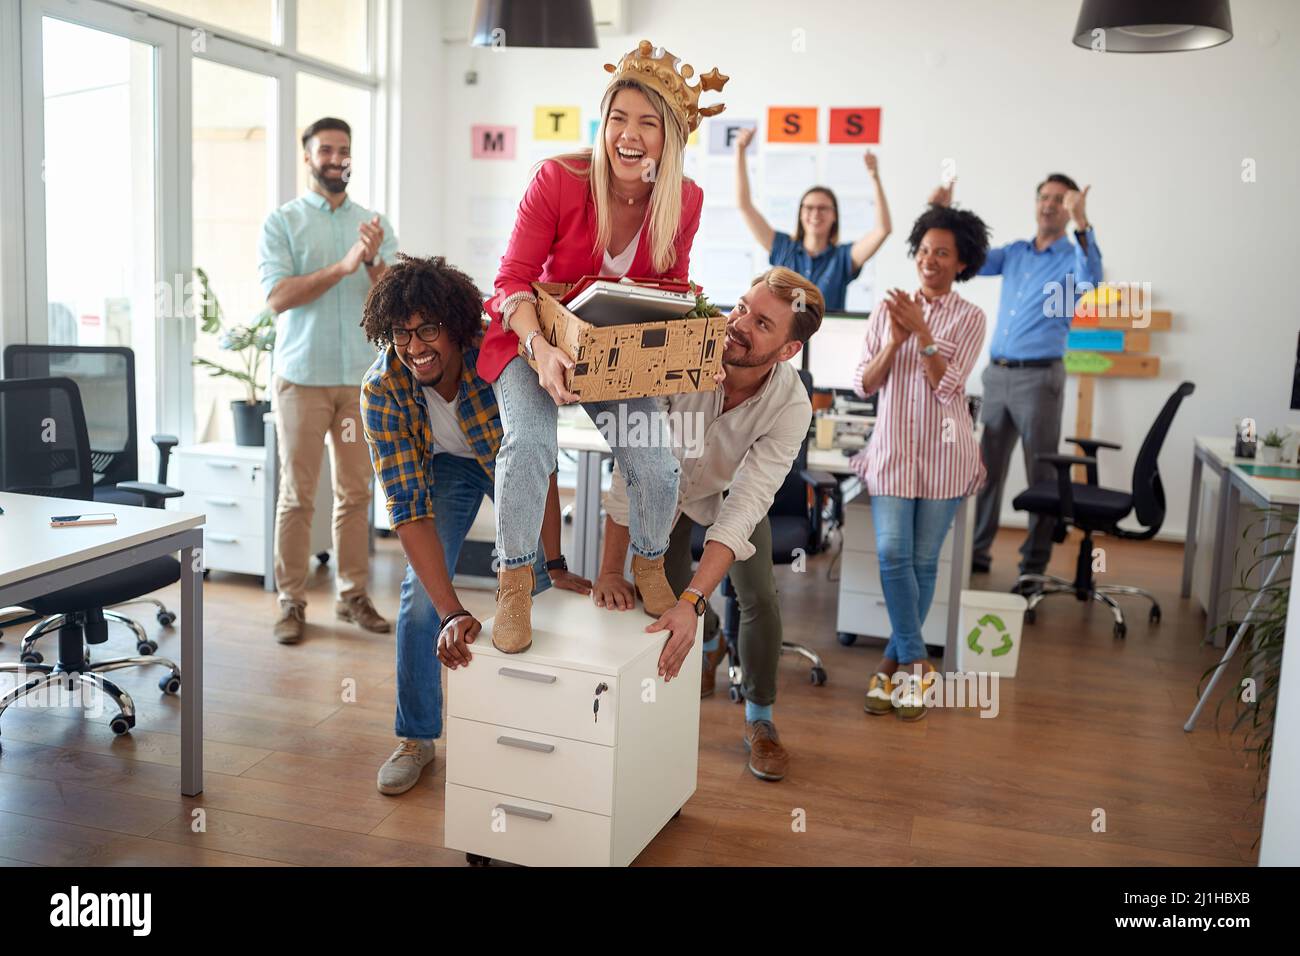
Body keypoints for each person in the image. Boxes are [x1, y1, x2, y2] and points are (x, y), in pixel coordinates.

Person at [477, 40, 728, 654]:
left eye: (647, 122)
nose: (629, 134)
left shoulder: (685, 200)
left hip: (610, 348)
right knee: (532, 443)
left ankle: (647, 564)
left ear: (670, 137)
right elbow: (511, 280)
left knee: (656, 463)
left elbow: (670, 286)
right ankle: (514, 581)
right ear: (603, 122)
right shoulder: (558, 180)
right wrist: (541, 348)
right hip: (530, 335)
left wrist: (688, 334)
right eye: (618, 118)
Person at [360, 254, 592, 795]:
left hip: (505, 459)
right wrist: (452, 610)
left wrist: (553, 563)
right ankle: (416, 738)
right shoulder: (383, 389)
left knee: (533, 586)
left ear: (458, 327)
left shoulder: (500, 358)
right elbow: (407, 508)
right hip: (441, 469)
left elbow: (538, 465)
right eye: (401, 334)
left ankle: (538, 725)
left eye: (429, 331)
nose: (415, 347)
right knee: (420, 603)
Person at [593, 267, 825, 782]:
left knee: (758, 595)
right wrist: (610, 571)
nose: (738, 324)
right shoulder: (681, 355)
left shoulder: (790, 406)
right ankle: (706, 645)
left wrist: (696, 601)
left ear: (787, 351)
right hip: (664, 487)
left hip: (726, 492)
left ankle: (760, 718)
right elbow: (633, 468)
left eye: (762, 324)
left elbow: (745, 505)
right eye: (741, 306)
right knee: (663, 597)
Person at [258, 116, 398, 645]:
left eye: (343, 149)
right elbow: (277, 298)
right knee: (297, 495)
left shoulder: (372, 224)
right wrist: (341, 267)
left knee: (356, 493)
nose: (335, 158)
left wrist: (374, 261)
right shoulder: (284, 222)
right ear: (308, 156)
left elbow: (392, 301)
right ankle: (291, 601)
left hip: (360, 381)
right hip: (302, 376)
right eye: (325, 150)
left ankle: (352, 595)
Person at [852, 203, 990, 720]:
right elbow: (865, 382)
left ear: (962, 263)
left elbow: (948, 386)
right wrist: (895, 340)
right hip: (890, 454)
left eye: (943, 253)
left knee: (923, 562)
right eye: (925, 250)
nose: (930, 260)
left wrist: (924, 336)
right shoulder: (889, 309)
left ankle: (890, 663)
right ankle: (916, 661)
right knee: (892, 553)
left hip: (945, 459)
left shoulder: (971, 317)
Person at [930, 175, 1102, 582]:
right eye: (1044, 197)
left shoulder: (1073, 254)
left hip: (1039, 378)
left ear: (1070, 207)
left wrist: (1084, 226)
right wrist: (941, 215)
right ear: (1036, 202)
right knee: (984, 469)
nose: (1049, 205)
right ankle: (977, 552)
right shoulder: (1016, 253)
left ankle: (1033, 566)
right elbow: (966, 261)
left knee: (1041, 474)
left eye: (1060, 200)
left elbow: (1092, 283)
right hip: (998, 376)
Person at [735, 128, 891, 311]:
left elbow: (883, 230)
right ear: (800, 214)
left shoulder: (842, 257)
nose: (815, 213)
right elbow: (744, 205)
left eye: (823, 208)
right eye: (809, 207)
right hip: (782, 338)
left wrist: (875, 178)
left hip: (826, 337)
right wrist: (740, 150)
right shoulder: (784, 247)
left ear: (835, 216)